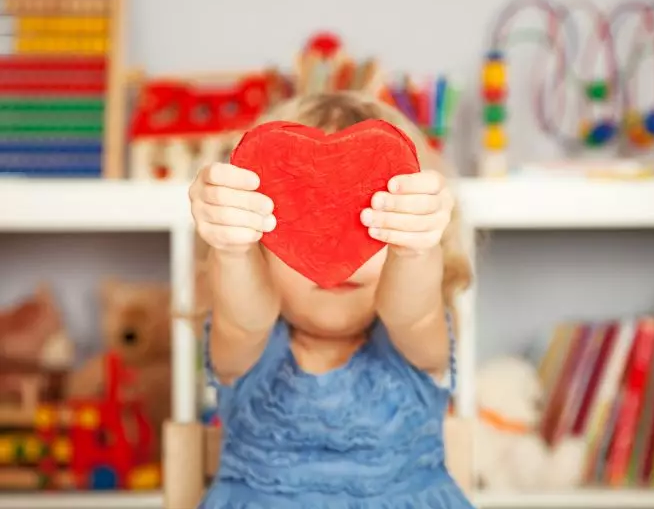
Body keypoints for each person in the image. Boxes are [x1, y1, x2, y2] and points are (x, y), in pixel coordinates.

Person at [189, 91, 474, 508]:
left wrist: (414, 249)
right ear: (261, 250)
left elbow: (413, 312)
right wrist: (233, 248)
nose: (333, 252)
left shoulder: (417, 344)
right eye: (305, 223)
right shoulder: (246, 349)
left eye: (369, 224)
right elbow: (243, 318)